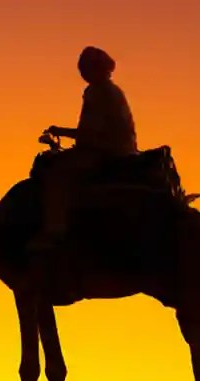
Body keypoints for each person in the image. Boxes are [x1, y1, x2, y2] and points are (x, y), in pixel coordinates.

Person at [31, 46, 139, 256]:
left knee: (55, 175)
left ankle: (55, 233)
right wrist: (63, 132)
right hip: (117, 149)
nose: (82, 73)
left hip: (107, 152)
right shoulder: (111, 90)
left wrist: (64, 134)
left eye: (85, 68)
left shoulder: (98, 92)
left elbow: (90, 131)